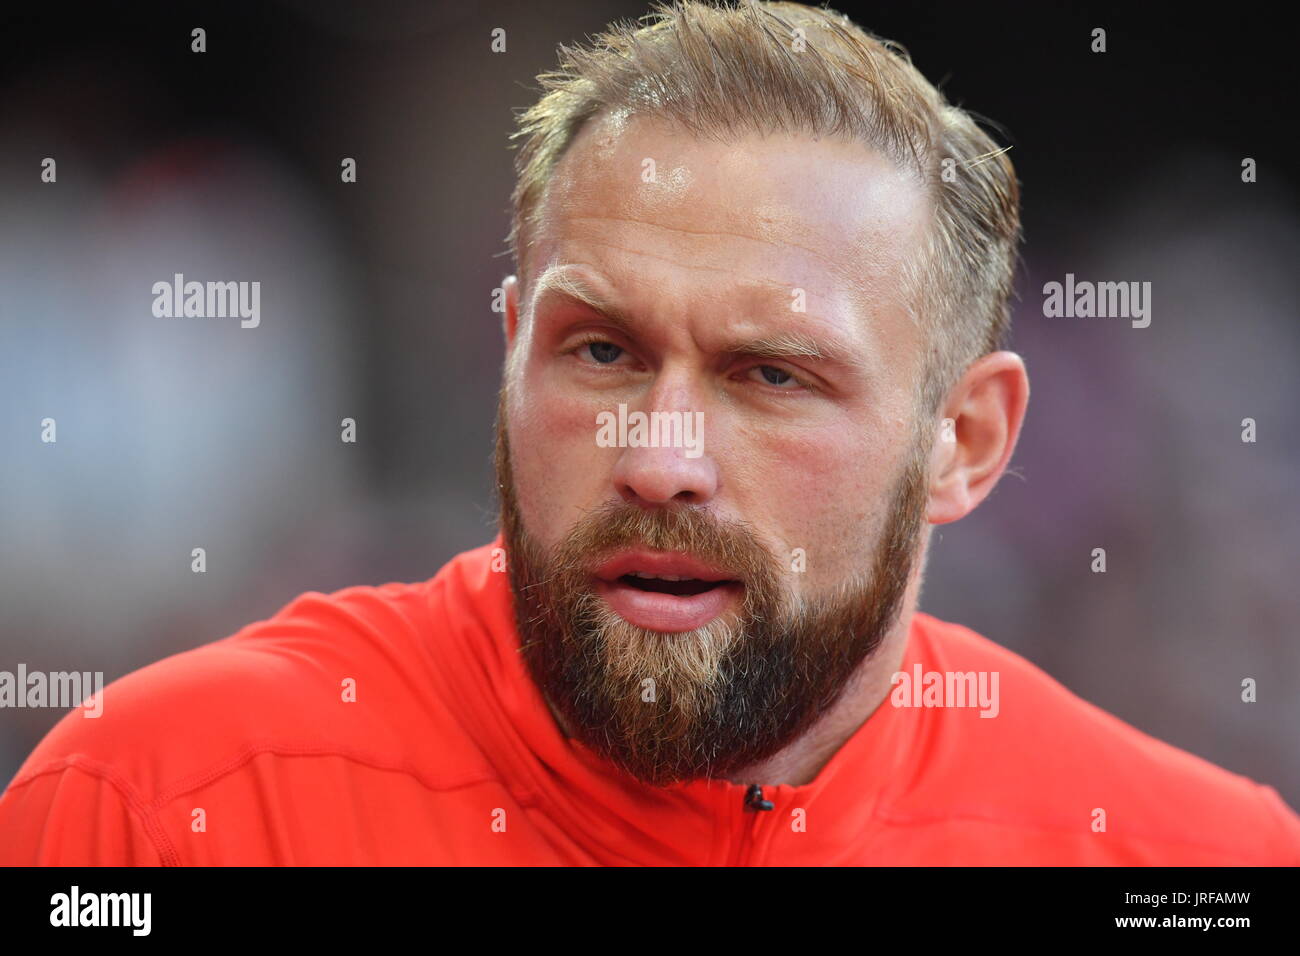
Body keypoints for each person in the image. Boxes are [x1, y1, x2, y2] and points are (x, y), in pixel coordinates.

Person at [2, 0, 1296, 865]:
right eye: (601, 350)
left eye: (772, 375)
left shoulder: (1185, 861)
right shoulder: (164, 805)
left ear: (965, 438)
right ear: (506, 352)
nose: (661, 457)